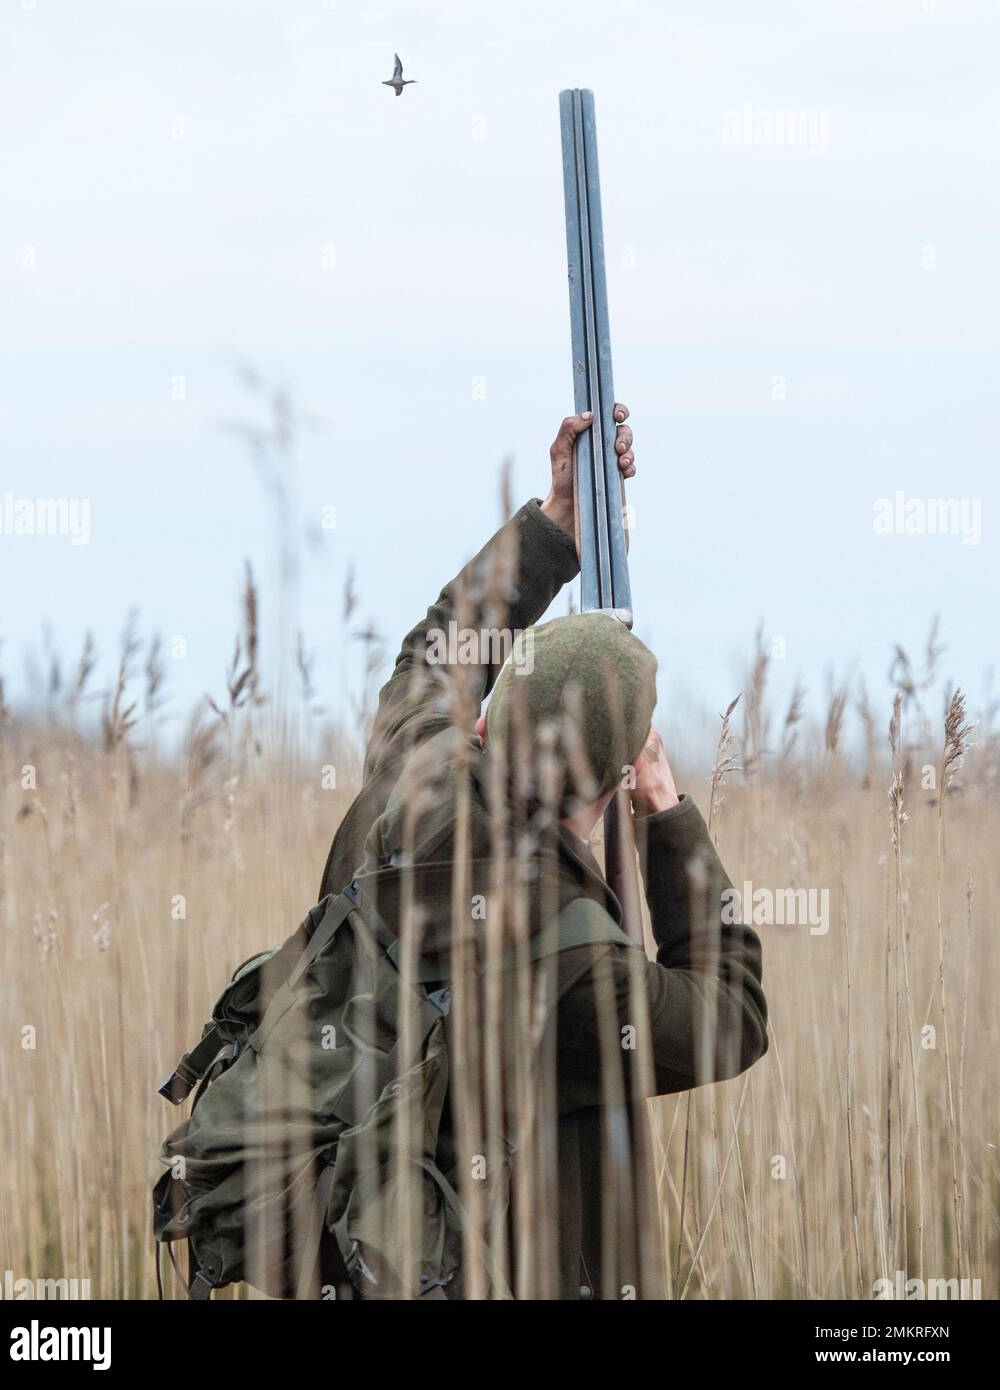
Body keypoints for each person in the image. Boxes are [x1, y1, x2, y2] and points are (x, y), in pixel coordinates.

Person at [315, 403, 769, 1298]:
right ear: (614, 785)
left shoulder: (414, 776)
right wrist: (669, 817)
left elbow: (432, 659)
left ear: (487, 720)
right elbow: (733, 1017)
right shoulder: (572, 958)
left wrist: (557, 524)